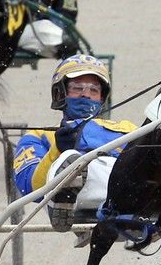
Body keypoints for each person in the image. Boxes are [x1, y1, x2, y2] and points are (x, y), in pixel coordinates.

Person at [12, 54, 135, 231]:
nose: (86, 95)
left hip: (130, 186)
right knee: (71, 159)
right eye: (77, 88)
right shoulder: (38, 136)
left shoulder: (127, 128)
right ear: (59, 93)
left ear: (102, 98)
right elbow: (30, 188)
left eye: (94, 90)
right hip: (83, 196)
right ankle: (66, 189)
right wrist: (58, 150)